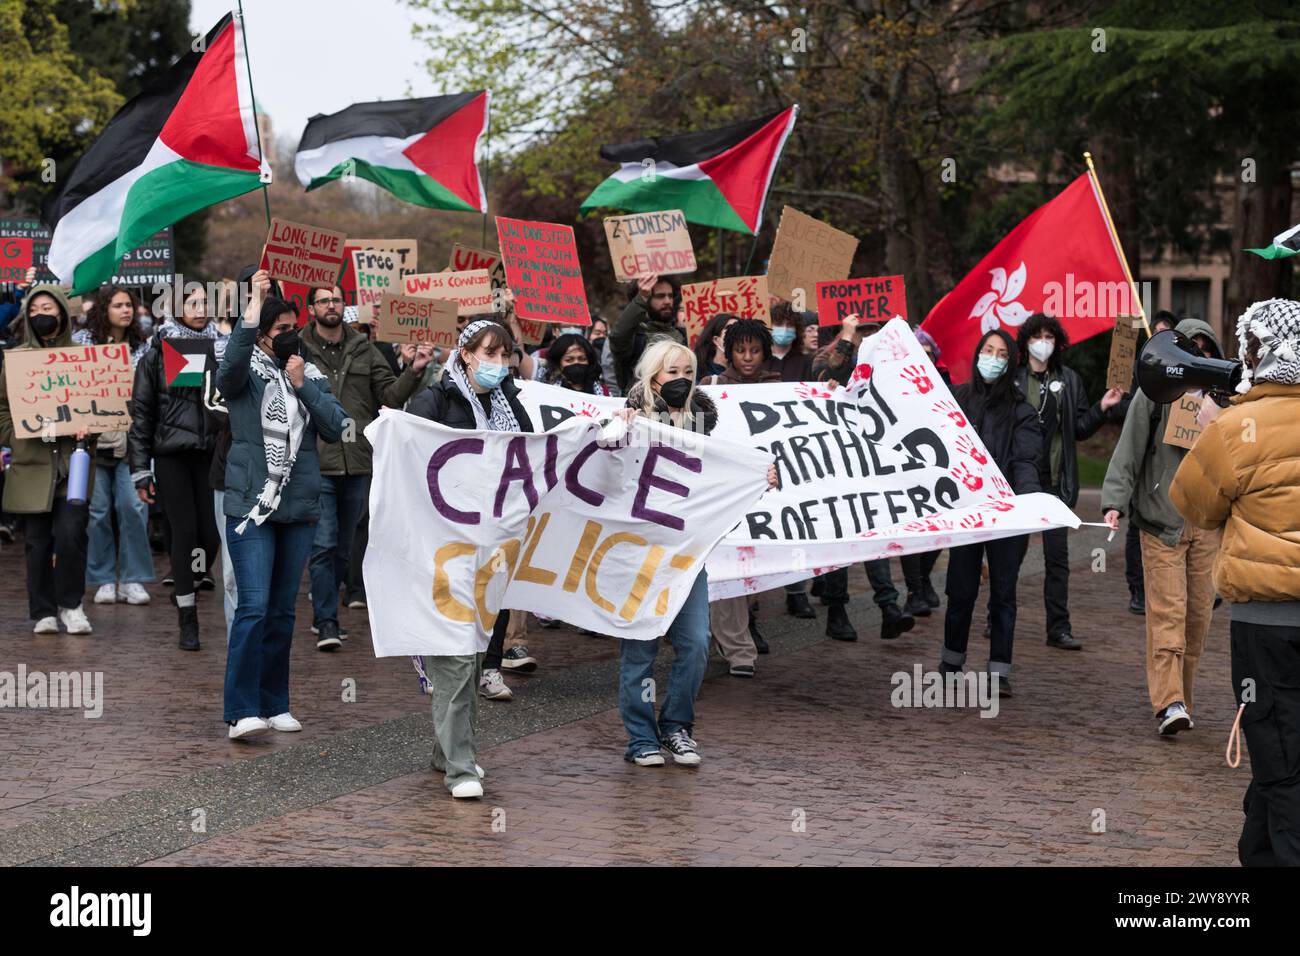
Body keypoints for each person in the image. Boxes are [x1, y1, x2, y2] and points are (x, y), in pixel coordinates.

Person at [1170, 298, 1300, 865]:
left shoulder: (1237, 427)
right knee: (1282, 758)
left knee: (1278, 760)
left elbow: (1193, 507)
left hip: (1263, 626)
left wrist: (1212, 431)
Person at [617, 338, 778, 764]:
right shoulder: (628, 421)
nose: (682, 380)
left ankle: (676, 727)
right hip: (639, 554)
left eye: (688, 372)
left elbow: (719, 481)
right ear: (653, 376)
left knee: (696, 643)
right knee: (641, 648)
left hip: (687, 556)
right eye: (673, 372)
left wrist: (759, 478)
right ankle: (640, 738)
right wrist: (618, 432)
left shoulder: (702, 424)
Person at [406, 319, 533, 796]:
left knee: (474, 654)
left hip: (491, 552)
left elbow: (535, 455)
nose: (498, 365)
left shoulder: (509, 406)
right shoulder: (433, 401)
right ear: (464, 354)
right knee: (456, 657)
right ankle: (461, 765)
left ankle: (447, 752)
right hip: (443, 549)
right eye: (489, 354)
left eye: (505, 356)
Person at [218, 273, 346, 740]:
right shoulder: (244, 373)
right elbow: (229, 367)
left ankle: (275, 703)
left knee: (282, 611)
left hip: (299, 509)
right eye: (280, 328)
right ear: (263, 333)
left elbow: (337, 426)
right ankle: (241, 710)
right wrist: (253, 302)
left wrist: (303, 385)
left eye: (296, 326)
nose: (290, 334)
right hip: (253, 505)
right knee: (252, 605)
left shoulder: (309, 374)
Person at [1102, 318, 1224, 735]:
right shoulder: (1153, 396)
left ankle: (1182, 700)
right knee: (1168, 614)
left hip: (1205, 526)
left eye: (1208, 350)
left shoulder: (1223, 401)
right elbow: (1128, 450)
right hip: (1161, 522)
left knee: (1197, 620)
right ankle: (1168, 702)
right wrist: (1114, 502)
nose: (1201, 356)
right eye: (1193, 348)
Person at [299, 284, 430, 651]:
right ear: (311, 309)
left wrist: (414, 370)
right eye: (323, 300)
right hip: (317, 460)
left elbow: (389, 396)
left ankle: (329, 610)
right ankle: (326, 621)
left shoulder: (363, 348)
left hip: (357, 461)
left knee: (343, 548)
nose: (331, 305)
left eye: (336, 300)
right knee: (323, 545)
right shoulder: (298, 348)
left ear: (344, 306)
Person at [938, 328, 1041, 697]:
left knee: (1003, 593)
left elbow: (1026, 461)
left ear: (1010, 361)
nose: (993, 358)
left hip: (1007, 516)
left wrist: (1028, 502)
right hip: (967, 514)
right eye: (988, 350)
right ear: (977, 353)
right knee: (961, 591)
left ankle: (999, 670)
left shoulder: (1021, 411)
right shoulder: (956, 400)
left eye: (1001, 353)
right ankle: (951, 663)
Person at [1014, 313, 1123, 650]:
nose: (1042, 342)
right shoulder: (1014, 379)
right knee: (1010, 556)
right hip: (1019, 481)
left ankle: (1058, 627)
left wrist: (1101, 407)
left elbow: (1077, 428)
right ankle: (996, 618)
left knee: (1057, 559)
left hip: (1055, 484)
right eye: (1037, 336)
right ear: (1026, 341)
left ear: (1057, 342)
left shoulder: (1069, 379)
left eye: (1049, 336)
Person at [130, 285, 223, 651]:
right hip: (171, 454)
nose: (200, 310)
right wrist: (141, 469)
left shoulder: (223, 349)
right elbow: (142, 412)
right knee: (183, 533)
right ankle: (188, 615)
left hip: (210, 454)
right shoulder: (157, 351)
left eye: (205, 303)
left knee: (210, 536)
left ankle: (191, 580)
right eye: (192, 303)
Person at [812, 314, 914, 642]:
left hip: (870, 464)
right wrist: (848, 336)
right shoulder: (828, 356)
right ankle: (837, 611)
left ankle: (889, 608)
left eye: (875, 331)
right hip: (833, 465)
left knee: (876, 536)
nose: (870, 337)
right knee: (842, 539)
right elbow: (828, 374)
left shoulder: (887, 366)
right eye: (864, 331)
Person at [0, 284, 95, 634]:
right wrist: (15, 435)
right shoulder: (16, 359)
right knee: (36, 542)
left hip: (73, 464)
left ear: (62, 313)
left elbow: (104, 401)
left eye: (48, 308)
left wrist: (92, 426)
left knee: (72, 534)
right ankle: (42, 611)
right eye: (35, 309)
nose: (42, 314)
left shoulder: (83, 356)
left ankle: (71, 605)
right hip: (32, 464)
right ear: (27, 314)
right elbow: (2, 408)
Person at [700, 319, 780, 673]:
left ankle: (732, 638)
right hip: (720, 490)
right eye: (740, 350)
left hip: (765, 488)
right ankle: (737, 650)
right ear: (728, 352)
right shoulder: (709, 386)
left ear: (765, 352)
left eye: (755, 350)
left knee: (748, 566)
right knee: (723, 563)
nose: (748, 357)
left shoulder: (780, 387)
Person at [74, 285, 154, 608]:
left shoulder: (144, 348)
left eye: (129, 305)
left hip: (131, 442)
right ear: (103, 309)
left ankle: (133, 578)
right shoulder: (82, 343)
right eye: (118, 305)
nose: (125, 310)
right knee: (96, 513)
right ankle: (103, 578)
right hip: (93, 442)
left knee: (134, 508)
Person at [1116, 309, 1179, 615]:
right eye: (1154, 332)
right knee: (1135, 531)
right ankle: (1137, 589)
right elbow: (1126, 428)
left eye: (1165, 333)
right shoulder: (1141, 374)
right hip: (1146, 472)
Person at [900, 328, 950, 618]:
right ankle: (914, 591)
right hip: (905, 467)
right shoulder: (896, 382)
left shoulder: (944, 382)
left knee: (939, 531)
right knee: (911, 530)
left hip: (937, 467)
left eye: (929, 354)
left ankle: (923, 579)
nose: (924, 359)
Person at [609, 273, 685, 392]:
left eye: (670, 296)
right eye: (660, 296)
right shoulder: (635, 337)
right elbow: (618, 337)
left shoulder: (681, 335)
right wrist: (642, 297)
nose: (667, 301)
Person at [542, 331, 613, 396]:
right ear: (558, 363)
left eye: (582, 359)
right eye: (569, 360)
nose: (576, 363)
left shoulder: (603, 392)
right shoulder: (548, 391)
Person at [764, 303, 814, 382]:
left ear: (796, 329)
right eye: (779, 324)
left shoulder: (808, 363)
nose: (784, 329)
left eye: (790, 325)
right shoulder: (759, 361)